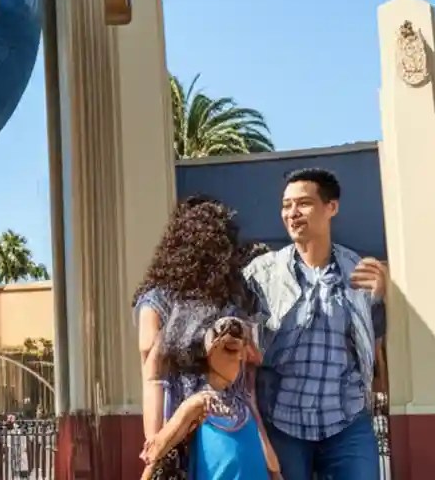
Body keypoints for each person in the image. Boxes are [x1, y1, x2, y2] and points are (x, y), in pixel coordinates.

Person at [244, 168, 388, 480]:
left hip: (347, 421)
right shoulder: (260, 274)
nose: (292, 213)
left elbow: (373, 346)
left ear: (331, 207)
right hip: (281, 423)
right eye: (286, 205)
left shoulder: (359, 271)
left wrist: (377, 298)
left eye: (303, 203)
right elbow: (243, 355)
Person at [132, 196, 279, 476]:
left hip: (184, 429)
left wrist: (156, 444)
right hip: (229, 423)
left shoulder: (156, 301)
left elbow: (151, 376)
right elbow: (251, 370)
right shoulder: (235, 299)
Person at [140, 309, 269, 479]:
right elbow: (157, 450)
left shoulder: (242, 401)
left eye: (242, 350)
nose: (239, 358)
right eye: (230, 350)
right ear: (208, 354)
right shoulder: (199, 404)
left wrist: (276, 472)